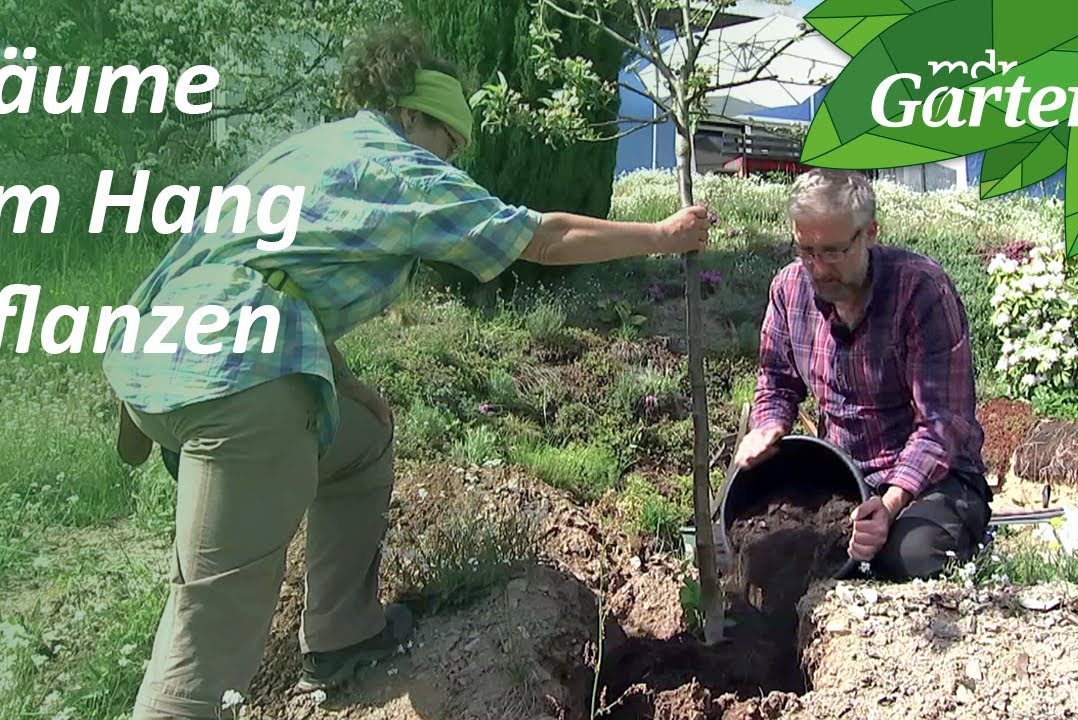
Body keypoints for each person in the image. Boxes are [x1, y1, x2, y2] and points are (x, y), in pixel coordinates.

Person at [105, 26, 711, 720]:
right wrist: (664, 236)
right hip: (232, 378)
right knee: (209, 628)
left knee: (361, 438)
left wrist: (346, 385)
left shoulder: (314, 149)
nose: (451, 162)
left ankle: (340, 633)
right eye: (449, 143)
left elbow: (276, 277)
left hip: (162, 356)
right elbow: (539, 237)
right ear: (414, 118)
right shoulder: (399, 169)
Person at [731, 168, 990, 582]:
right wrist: (770, 424)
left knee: (908, 558)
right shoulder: (788, 289)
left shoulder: (921, 291)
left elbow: (943, 423)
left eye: (832, 252)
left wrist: (889, 504)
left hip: (935, 478)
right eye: (805, 250)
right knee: (767, 547)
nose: (818, 268)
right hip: (844, 473)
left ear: (870, 233)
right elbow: (777, 380)